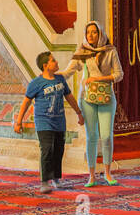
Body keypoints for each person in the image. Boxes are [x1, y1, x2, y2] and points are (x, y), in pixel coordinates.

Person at [13, 50, 84, 194]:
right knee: (47, 150)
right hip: (43, 122)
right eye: (53, 60)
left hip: (59, 122)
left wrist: (79, 113)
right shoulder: (36, 83)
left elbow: (69, 97)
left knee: (58, 150)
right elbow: (26, 102)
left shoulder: (60, 79)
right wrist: (18, 121)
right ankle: (44, 181)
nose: (56, 62)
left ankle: (56, 178)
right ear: (45, 65)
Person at [64, 21, 124, 187]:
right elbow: (68, 72)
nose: (90, 35)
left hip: (106, 97)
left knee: (106, 136)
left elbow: (119, 74)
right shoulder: (82, 52)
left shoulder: (110, 51)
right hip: (87, 98)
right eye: (88, 32)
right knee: (91, 137)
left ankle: (108, 173)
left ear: (100, 34)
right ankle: (91, 175)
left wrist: (100, 79)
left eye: (94, 32)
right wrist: (50, 75)